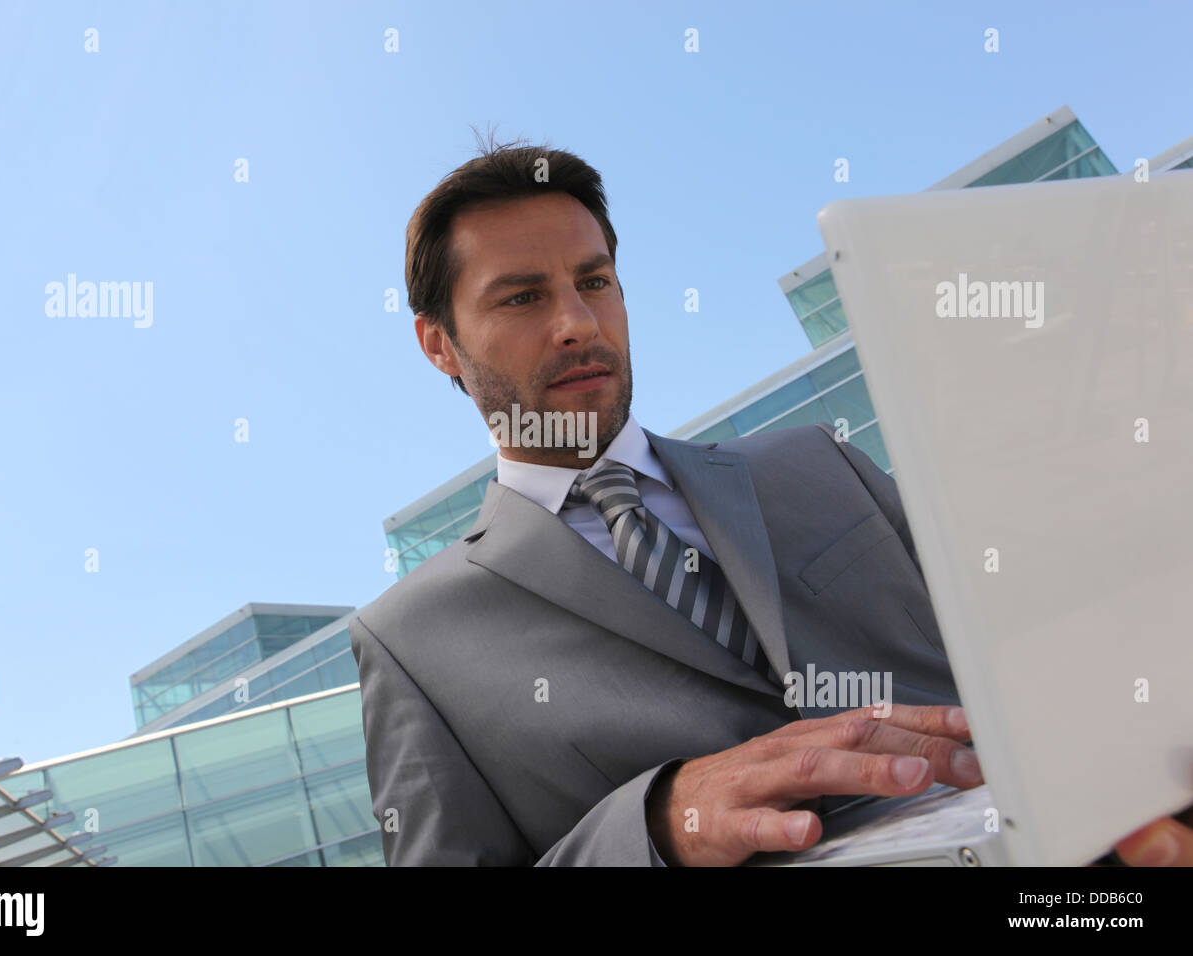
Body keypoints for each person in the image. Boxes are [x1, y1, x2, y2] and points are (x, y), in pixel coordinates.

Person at [348, 134, 1192, 866]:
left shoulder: (815, 463)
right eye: (523, 296)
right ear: (439, 345)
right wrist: (659, 826)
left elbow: (1038, 652)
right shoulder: (412, 643)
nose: (577, 323)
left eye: (595, 281)